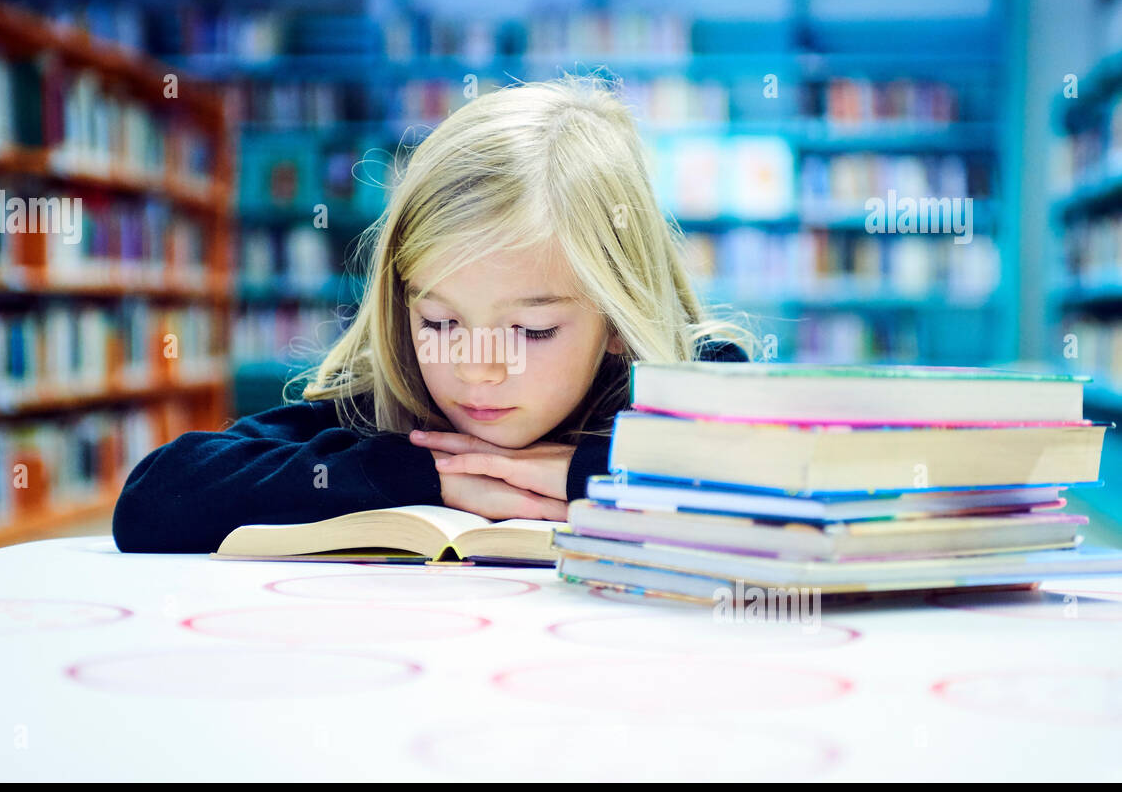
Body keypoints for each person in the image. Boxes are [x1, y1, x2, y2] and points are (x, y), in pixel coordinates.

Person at [113, 74, 755, 553]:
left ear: (617, 316)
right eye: (441, 324)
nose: (476, 372)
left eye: (531, 331)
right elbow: (152, 499)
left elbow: (796, 486)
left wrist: (584, 473)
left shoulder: (698, 385)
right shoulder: (393, 406)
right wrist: (420, 474)